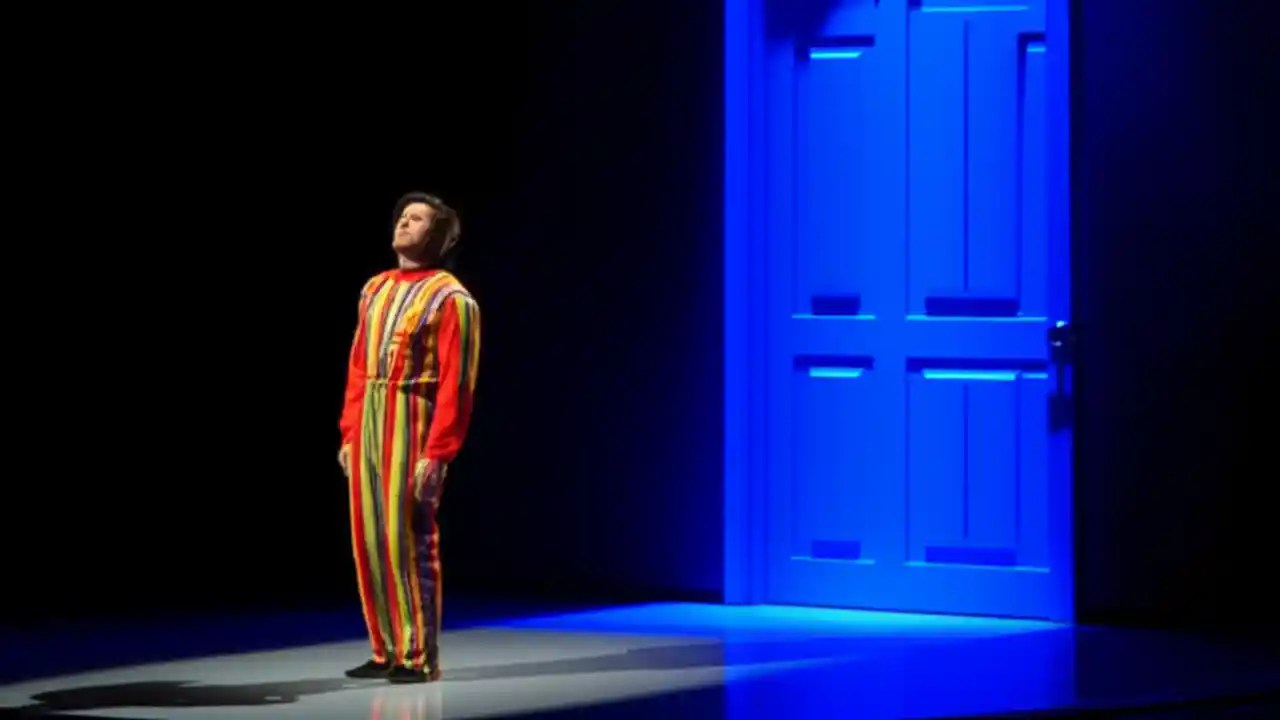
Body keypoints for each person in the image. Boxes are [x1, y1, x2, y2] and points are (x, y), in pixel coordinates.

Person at [337, 192, 481, 683]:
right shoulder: (374, 289)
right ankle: (386, 649)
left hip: (412, 416)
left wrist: (439, 451)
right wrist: (351, 430)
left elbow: (456, 381)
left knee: (406, 535)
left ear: (437, 237)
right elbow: (358, 365)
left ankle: (418, 654)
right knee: (368, 537)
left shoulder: (451, 298)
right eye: (402, 215)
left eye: (416, 218)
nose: (404, 221)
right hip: (371, 417)